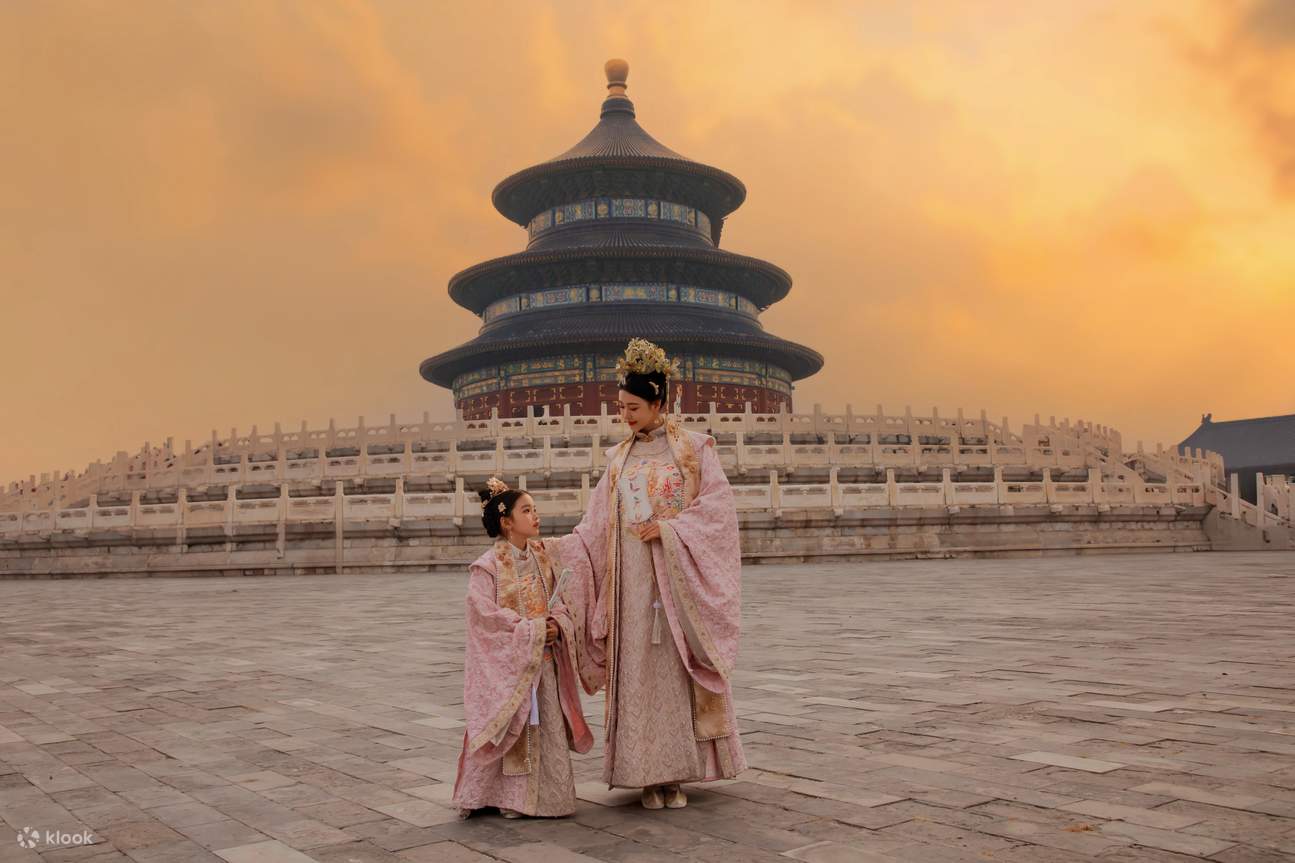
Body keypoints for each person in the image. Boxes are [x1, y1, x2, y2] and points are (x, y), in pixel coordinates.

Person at [555, 338, 747, 810]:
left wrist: (669, 529)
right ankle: (644, 774)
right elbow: (595, 526)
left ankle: (676, 774)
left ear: (659, 402)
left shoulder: (694, 450)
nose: (624, 416)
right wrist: (556, 551)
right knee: (638, 674)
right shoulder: (618, 460)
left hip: (676, 581)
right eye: (620, 407)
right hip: (631, 587)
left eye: (633, 407)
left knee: (676, 673)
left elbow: (719, 512)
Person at [451, 478, 594, 819]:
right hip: (513, 664)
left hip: (544, 663)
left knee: (541, 728)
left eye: (535, 509)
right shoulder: (487, 566)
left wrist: (557, 624)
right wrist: (531, 631)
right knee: (508, 724)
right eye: (526, 510)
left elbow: (563, 600)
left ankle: (535, 798)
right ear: (506, 521)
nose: (535, 516)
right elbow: (483, 616)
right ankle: (497, 796)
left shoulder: (544, 557)